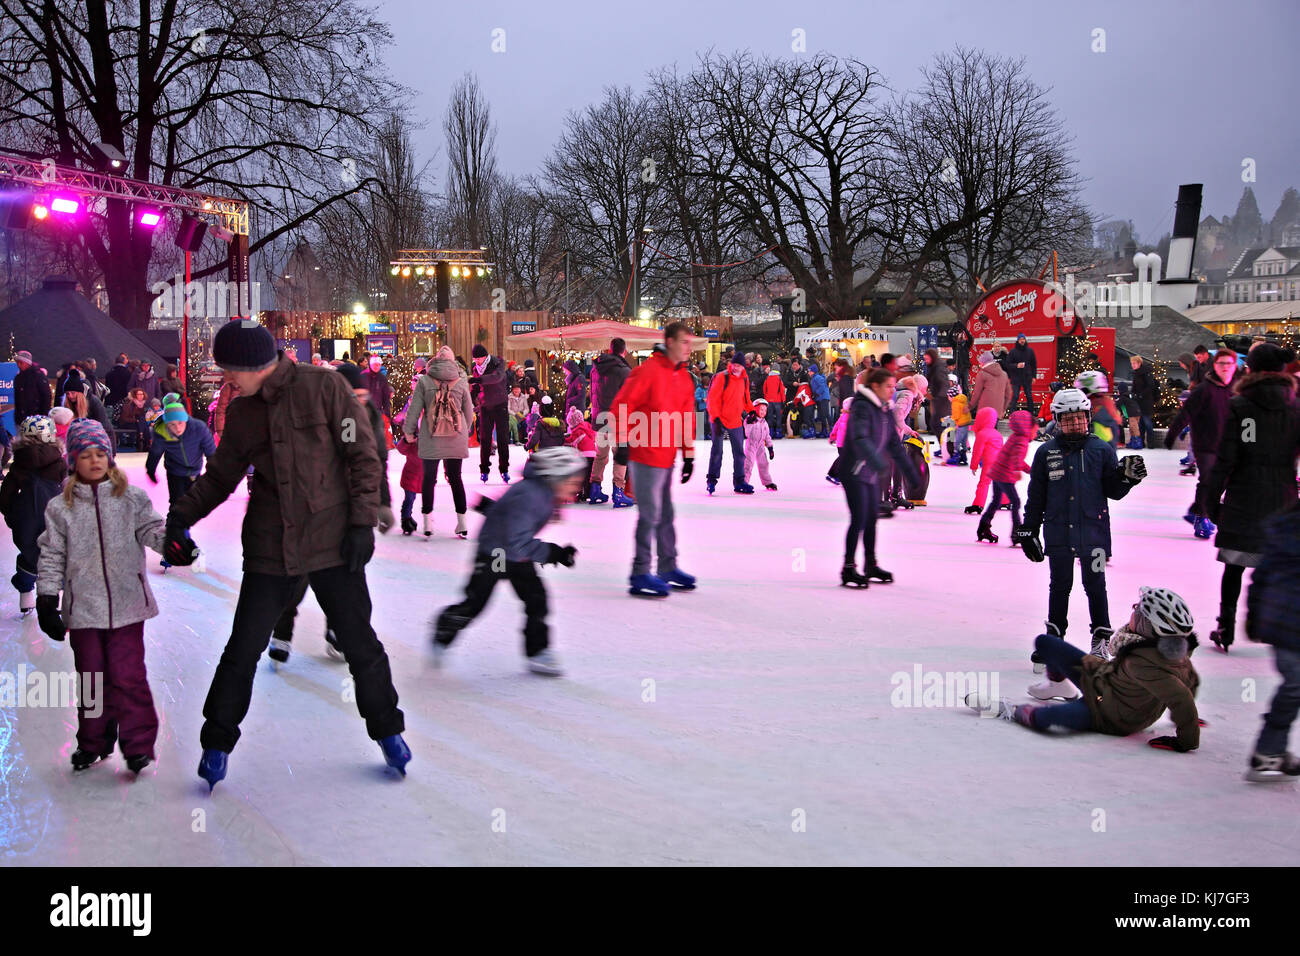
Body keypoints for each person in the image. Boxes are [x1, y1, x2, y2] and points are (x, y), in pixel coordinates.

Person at [164, 320, 408, 789]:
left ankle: (388, 732)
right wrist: (181, 516)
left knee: (361, 644)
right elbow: (219, 477)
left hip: (334, 540)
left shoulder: (324, 388)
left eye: (230, 372)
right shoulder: (243, 413)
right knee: (242, 649)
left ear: (250, 366)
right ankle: (216, 742)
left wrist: (361, 521)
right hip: (271, 547)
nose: (228, 382)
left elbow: (362, 455)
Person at [35, 419, 168, 774]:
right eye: (85, 455)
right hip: (84, 611)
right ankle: (93, 742)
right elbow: (51, 555)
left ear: (110, 457)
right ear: (72, 461)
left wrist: (173, 542)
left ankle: (138, 745)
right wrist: (47, 598)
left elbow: (152, 529)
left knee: (128, 676)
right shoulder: (60, 508)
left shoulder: (131, 498)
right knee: (92, 680)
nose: (94, 461)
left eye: (100, 454)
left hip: (127, 606)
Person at [966, 587, 1199, 756]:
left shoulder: (1145, 663)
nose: (1132, 613)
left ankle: (1010, 711)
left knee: (1042, 718)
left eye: (1137, 612)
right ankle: (1059, 686)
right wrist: (1191, 717)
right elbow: (1190, 681)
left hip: (1107, 715)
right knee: (1045, 643)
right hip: (1103, 679)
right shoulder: (1168, 651)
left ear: (1147, 625)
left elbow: (1180, 697)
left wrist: (1185, 739)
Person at [267, 361, 395, 663]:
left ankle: (338, 629)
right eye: (353, 396)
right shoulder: (324, 417)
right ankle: (282, 630)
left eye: (363, 396)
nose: (359, 402)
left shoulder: (371, 418)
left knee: (349, 576)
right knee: (298, 576)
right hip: (316, 509)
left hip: (353, 512)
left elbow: (376, 465)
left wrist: (383, 503)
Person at [1017, 387, 1146, 659]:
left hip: (1094, 534)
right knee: (1060, 585)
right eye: (1067, 418)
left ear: (1088, 417)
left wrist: (1127, 479)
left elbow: (1113, 491)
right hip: (1059, 533)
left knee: (1095, 584)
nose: (1075, 423)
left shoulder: (1101, 450)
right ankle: (1055, 640)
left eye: (1080, 417)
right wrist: (1028, 530)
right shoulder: (1046, 453)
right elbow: (1036, 496)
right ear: (1057, 419)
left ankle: (1101, 639)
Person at [431, 446, 584, 676]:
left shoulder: (542, 494)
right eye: (572, 483)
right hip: (497, 554)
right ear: (555, 477)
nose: (576, 489)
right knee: (476, 602)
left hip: (514, 553)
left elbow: (511, 516)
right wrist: (555, 554)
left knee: (536, 600)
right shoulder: (533, 496)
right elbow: (519, 540)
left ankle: (538, 651)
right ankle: (445, 630)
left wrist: (490, 509)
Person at [1200, 343, 1300, 653]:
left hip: (1244, 495)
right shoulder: (1295, 408)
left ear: (1250, 369)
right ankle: (1275, 623)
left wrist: (1210, 498)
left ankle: (1226, 625)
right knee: (1277, 562)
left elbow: (1227, 458)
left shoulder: (1241, 406)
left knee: (1235, 564)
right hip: (1283, 496)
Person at [610, 322, 697, 597]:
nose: (688, 348)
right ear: (670, 341)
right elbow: (621, 405)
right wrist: (624, 443)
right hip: (645, 454)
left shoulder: (683, 377)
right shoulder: (647, 371)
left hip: (666, 455)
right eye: (684, 342)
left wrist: (689, 455)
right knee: (650, 514)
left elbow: (685, 418)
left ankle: (668, 567)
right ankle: (640, 572)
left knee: (666, 514)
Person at [839, 368, 920, 588]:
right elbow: (859, 437)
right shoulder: (862, 407)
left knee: (871, 519)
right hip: (854, 470)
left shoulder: (884, 409)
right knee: (860, 518)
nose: (893, 390)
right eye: (889, 386)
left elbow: (894, 444)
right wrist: (877, 461)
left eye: (894, 386)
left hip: (869, 470)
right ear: (875, 386)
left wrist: (911, 474)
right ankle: (848, 568)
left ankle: (870, 564)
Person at [1244, 505, 1300, 780]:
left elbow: (1261, 576)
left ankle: (1270, 750)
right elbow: (1263, 574)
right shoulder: (1286, 526)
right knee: (1294, 686)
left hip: (1280, 621)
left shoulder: (1284, 523)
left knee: (1293, 686)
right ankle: (1269, 751)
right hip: (1287, 623)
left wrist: (1254, 614)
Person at [1164, 348, 1236, 538]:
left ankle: (1198, 509)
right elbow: (1186, 413)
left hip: (1227, 444)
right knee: (1208, 479)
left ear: (1235, 366)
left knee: (1223, 481)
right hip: (1205, 444)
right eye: (1222, 364)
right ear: (1215, 365)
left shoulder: (1237, 388)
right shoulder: (1204, 389)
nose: (1225, 368)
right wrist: (1172, 434)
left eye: (1229, 364)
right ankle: (1201, 518)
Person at [404, 346, 473, 539]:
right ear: (452, 362)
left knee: (429, 479)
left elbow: (414, 410)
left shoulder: (424, 380)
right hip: (455, 437)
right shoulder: (461, 380)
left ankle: (427, 523)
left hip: (431, 436)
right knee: (456, 479)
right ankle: (462, 523)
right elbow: (469, 411)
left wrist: (409, 432)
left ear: (435, 360)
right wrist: (463, 432)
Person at [0, 416, 67, 616]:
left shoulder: (19, 464)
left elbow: (5, 497)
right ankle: (51, 598)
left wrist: (13, 517)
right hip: (54, 519)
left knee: (30, 556)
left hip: (26, 521)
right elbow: (68, 490)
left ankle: (26, 594)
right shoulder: (59, 462)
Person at [145, 402, 216, 571]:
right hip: (175, 472)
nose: (176, 428)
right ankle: (171, 547)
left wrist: (213, 475)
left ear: (186, 420)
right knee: (177, 507)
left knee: (190, 508)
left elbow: (211, 452)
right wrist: (150, 469)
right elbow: (155, 452)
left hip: (194, 472)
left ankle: (182, 542)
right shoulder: (162, 432)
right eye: (172, 424)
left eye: (180, 423)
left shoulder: (198, 429)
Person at [976, 409, 1034, 545]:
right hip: (1004, 475)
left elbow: (1014, 457)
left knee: (996, 501)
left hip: (998, 472)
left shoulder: (1015, 436)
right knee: (1016, 502)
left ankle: (983, 526)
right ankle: (1016, 533)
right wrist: (1024, 470)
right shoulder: (1022, 440)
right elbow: (1017, 459)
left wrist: (1023, 469)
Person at [589, 337, 633, 506]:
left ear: (610, 349)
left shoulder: (595, 369)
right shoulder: (624, 371)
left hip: (599, 419)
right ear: (624, 351)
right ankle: (618, 491)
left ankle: (595, 488)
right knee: (620, 455)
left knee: (600, 455)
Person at [705, 354, 756, 495]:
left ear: (743, 367)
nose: (735, 368)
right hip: (719, 420)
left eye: (738, 366)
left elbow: (746, 398)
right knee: (717, 451)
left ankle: (740, 481)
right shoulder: (722, 377)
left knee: (739, 452)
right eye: (734, 365)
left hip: (734, 420)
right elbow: (712, 398)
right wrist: (715, 418)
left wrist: (751, 410)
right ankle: (712, 479)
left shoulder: (744, 378)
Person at [469, 344, 510, 483]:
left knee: (503, 438)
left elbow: (496, 378)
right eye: (475, 359)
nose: (477, 362)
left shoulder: (497, 363)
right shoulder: (475, 368)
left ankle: (504, 469)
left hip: (500, 405)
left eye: (478, 359)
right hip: (485, 406)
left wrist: (478, 380)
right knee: (485, 439)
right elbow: (476, 387)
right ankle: (484, 469)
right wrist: (470, 397)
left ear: (484, 357)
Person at [966, 405, 1005, 515]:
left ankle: (978, 504)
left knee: (984, 483)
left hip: (989, 463)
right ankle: (1006, 501)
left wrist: (974, 466)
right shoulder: (997, 433)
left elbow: (977, 452)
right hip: (1000, 462)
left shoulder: (982, 434)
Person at [62, 381, 116, 454]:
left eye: (73, 393)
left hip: (101, 441)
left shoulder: (93, 402)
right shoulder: (69, 404)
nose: (70, 396)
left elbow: (103, 426)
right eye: (67, 393)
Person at [565, 405, 598, 501]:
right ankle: (588, 492)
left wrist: (563, 440)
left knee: (582, 476)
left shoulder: (577, 430)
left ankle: (582, 493)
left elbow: (571, 441)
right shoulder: (588, 427)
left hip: (584, 455)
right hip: (593, 454)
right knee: (588, 475)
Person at [743, 397, 776, 491]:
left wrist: (770, 447)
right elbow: (747, 433)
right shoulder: (750, 420)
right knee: (748, 463)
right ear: (755, 409)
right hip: (751, 445)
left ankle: (767, 482)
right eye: (761, 409)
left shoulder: (765, 423)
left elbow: (767, 436)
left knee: (764, 464)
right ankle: (744, 482)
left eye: (765, 410)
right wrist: (751, 422)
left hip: (761, 445)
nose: (763, 412)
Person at [969, 350, 1011, 420]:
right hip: (997, 412)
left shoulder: (982, 374)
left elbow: (976, 394)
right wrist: (1003, 410)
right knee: (993, 430)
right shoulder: (1004, 374)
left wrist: (969, 407)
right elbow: (1008, 395)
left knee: (984, 430)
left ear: (983, 363)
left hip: (984, 411)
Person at [13, 350, 51, 424]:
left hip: (35, 419)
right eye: (17, 362)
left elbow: (46, 396)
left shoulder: (38, 376)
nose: (18, 365)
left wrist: (42, 417)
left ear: (27, 363)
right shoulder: (18, 378)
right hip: (21, 419)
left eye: (21, 362)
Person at [1128, 354, 1157, 449]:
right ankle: (1142, 442)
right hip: (1139, 401)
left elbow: (1150, 386)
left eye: (1134, 363)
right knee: (1141, 423)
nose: (1132, 365)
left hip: (1146, 401)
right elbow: (1134, 387)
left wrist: (1141, 395)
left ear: (1139, 363)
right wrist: (1133, 394)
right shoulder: (1136, 373)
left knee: (1147, 422)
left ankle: (1151, 443)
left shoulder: (1145, 373)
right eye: (1131, 363)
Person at [1005, 334, 1037, 412]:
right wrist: (1016, 365)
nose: (1022, 341)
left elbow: (1034, 364)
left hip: (1027, 377)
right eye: (1020, 339)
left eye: (1023, 339)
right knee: (1015, 396)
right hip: (1016, 378)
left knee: (1029, 396)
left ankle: (1031, 413)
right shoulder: (1013, 351)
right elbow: (1008, 364)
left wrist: (1034, 376)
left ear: (1025, 340)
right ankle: (1012, 413)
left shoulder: (1030, 351)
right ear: (1018, 341)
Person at [923, 348, 951, 435]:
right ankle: (946, 445)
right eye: (925, 359)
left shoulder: (938, 368)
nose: (926, 361)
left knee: (938, 424)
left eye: (927, 359)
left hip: (941, 399)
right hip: (940, 399)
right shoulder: (934, 367)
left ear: (932, 357)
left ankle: (947, 445)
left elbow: (943, 383)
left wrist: (937, 397)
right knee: (937, 424)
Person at [946, 387, 971, 466]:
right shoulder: (962, 400)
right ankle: (964, 457)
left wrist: (950, 418)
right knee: (963, 441)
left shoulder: (955, 402)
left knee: (957, 442)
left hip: (961, 424)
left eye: (948, 396)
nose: (948, 398)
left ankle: (956, 456)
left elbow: (956, 415)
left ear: (951, 396)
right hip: (966, 423)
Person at [763, 362, 786, 439]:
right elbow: (782, 390)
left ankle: (771, 432)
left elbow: (764, 389)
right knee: (779, 416)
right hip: (778, 400)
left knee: (770, 416)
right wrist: (783, 400)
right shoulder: (779, 378)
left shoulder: (767, 378)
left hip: (769, 400)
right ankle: (778, 432)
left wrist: (766, 398)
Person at [809, 363, 831, 438]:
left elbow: (822, 386)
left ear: (813, 371)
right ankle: (824, 430)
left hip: (823, 398)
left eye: (810, 371)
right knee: (822, 414)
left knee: (824, 414)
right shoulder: (814, 378)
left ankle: (827, 430)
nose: (809, 373)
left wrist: (816, 393)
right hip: (820, 398)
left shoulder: (817, 377)